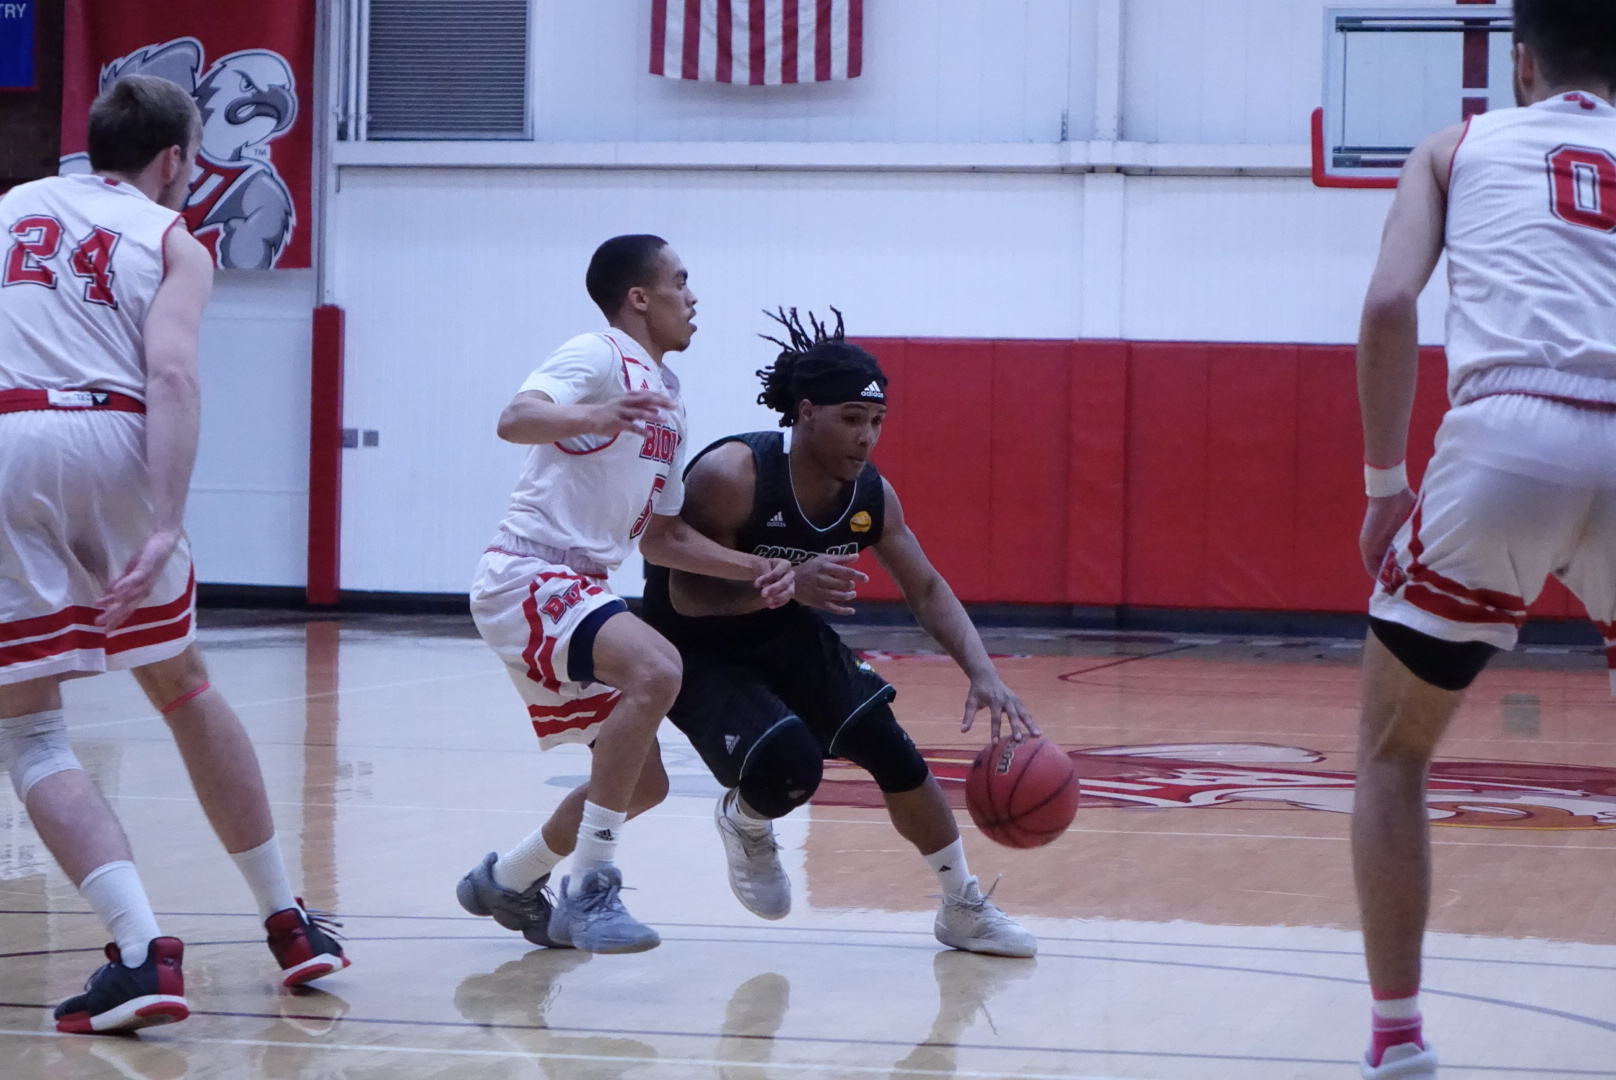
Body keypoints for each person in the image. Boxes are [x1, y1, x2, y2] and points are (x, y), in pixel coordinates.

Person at [0, 76, 347, 1035]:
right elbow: (174, 372)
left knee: (31, 734)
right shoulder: (173, 239)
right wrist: (164, 520)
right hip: (113, 436)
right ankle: (288, 923)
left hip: (8, 436)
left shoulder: (13, 207)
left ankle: (139, 948)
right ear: (174, 161)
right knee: (184, 685)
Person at [1351, 3, 1616, 1076]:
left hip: (1509, 432)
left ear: (1518, 61)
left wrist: (1382, 486)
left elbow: (1385, 304)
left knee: (1390, 753)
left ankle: (1398, 1040)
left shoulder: (1454, 145)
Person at [640, 309, 1040, 957]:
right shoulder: (732, 476)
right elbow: (686, 592)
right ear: (806, 414)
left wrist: (983, 671)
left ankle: (961, 905)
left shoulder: (869, 496)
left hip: (776, 627)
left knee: (893, 751)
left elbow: (928, 588)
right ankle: (745, 821)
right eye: (852, 418)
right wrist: (787, 581)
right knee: (790, 767)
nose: (867, 437)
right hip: (693, 640)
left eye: (877, 422)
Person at [455, 235, 794, 954]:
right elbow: (515, 417)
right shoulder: (600, 354)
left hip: (576, 584)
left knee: (643, 786)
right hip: (528, 573)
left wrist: (752, 569)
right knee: (659, 668)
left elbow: (663, 540)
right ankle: (591, 889)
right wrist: (590, 416)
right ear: (639, 298)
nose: (693, 296)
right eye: (680, 280)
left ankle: (508, 878)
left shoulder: (667, 400)